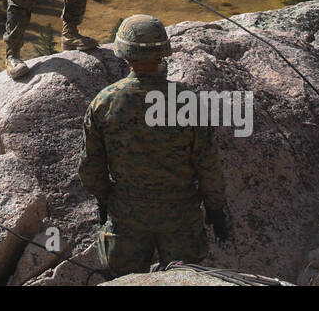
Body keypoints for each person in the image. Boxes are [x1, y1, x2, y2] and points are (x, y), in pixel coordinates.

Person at [78, 14, 230, 277]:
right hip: (181, 216)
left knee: (124, 281)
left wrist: (105, 198)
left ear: (124, 54)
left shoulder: (104, 102)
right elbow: (208, 164)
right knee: (184, 278)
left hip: (127, 215)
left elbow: (90, 166)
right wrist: (215, 208)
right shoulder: (187, 101)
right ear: (162, 53)